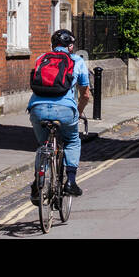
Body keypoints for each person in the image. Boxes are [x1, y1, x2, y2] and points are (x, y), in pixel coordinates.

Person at [27, 28, 90, 204]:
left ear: (53, 46)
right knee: (72, 141)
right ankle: (70, 181)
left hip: (37, 108)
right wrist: (78, 111)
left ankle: (38, 182)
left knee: (43, 145)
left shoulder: (42, 58)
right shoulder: (77, 61)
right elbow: (85, 94)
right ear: (70, 46)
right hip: (65, 109)